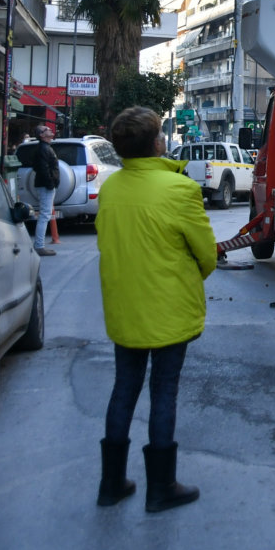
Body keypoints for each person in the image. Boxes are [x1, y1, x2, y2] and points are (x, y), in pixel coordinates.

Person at [94, 106, 216, 511]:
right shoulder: (179, 189)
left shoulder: (111, 189)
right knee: (164, 390)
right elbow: (207, 256)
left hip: (124, 306)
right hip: (170, 309)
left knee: (123, 388)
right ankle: (161, 487)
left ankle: (111, 483)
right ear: (157, 144)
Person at [31, 124, 60, 257]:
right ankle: (39, 245)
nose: (49, 130)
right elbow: (43, 168)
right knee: (44, 215)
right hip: (45, 185)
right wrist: (50, 182)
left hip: (46, 184)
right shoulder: (43, 149)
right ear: (42, 135)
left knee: (45, 214)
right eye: (46, 130)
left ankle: (39, 244)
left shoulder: (45, 148)